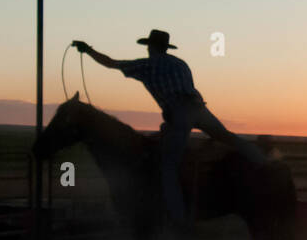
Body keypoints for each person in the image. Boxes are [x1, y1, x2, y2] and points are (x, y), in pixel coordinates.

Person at [71, 28, 266, 227]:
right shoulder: (181, 64)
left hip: (179, 113)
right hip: (198, 108)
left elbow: (111, 63)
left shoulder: (147, 65)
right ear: (166, 47)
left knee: (169, 168)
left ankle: (179, 219)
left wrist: (88, 50)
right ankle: (263, 161)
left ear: (150, 47)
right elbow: (190, 90)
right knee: (227, 137)